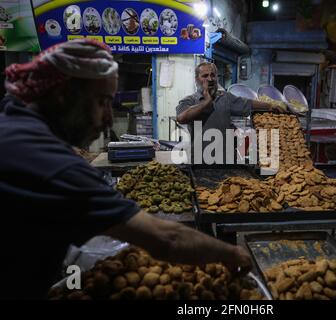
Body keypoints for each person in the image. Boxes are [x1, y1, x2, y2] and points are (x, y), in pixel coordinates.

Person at [0, 39, 251, 299]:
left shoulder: (11, 124)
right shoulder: (55, 166)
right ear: (63, 94)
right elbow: (167, 240)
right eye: (103, 102)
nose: (109, 119)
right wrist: (231, 253)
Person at [176, 62, 284, 162]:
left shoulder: (225, 98)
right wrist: (206, 102)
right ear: (197, 79)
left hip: (226, 160)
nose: (210, 79)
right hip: (201, 160)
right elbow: (181, 118)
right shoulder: (189, 100)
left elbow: (247, 103)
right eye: (205, 76)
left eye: (213, 75)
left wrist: (270, 105)